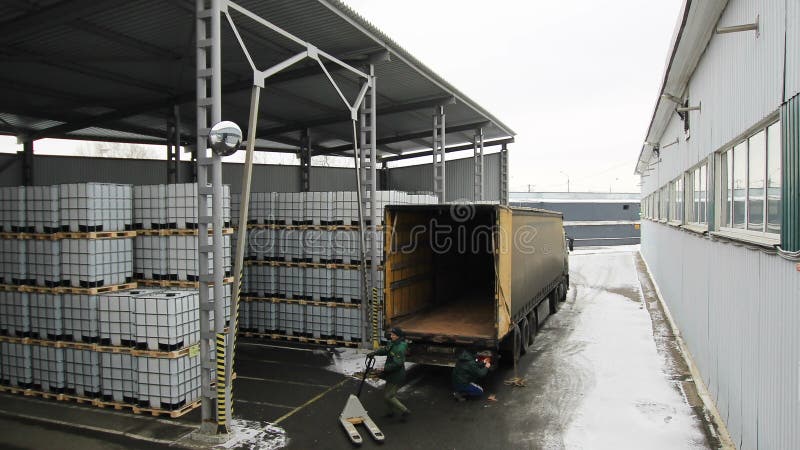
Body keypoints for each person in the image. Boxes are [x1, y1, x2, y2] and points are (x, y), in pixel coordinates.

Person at [368, 327, 410, 420]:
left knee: (389, 396)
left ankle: (405, 411)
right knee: (387, 395)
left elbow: (397, 364)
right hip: (391, 374)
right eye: (391, 334)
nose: (390, 336)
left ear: (398, 336)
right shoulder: (392, 343)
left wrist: (383, 368)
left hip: (396, 375)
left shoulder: (400, 348)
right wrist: (374, 353)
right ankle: (390, 412)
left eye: (393, 335)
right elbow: (385, 350)